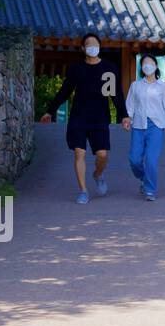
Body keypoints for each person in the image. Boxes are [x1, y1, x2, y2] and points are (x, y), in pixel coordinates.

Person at [40, 32, 130, 204]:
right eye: (88, 45)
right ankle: (83, 191)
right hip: (79, 117)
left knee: (102, 155)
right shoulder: (76, 69)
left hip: (100, 118)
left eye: (95, 44)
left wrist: (124, 116)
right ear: (83, 49)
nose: (92, 47)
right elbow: (64, 91)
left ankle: (98, 174)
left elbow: (115, 95)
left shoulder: (108, 69)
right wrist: (50, 111)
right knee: (79, 153)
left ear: (100, 47)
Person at [123, 54, 165, 201]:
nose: (147, 65)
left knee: (151, 159)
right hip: (138, 125)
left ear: (156, 66)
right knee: (134, 159)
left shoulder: (163, 87)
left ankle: (150, 189)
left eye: (150, 63)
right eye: (144, 63)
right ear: (141, 67)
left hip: (156, 126)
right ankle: (144, 179)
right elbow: (130, 105)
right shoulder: (135, 86)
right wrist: (127, 119)